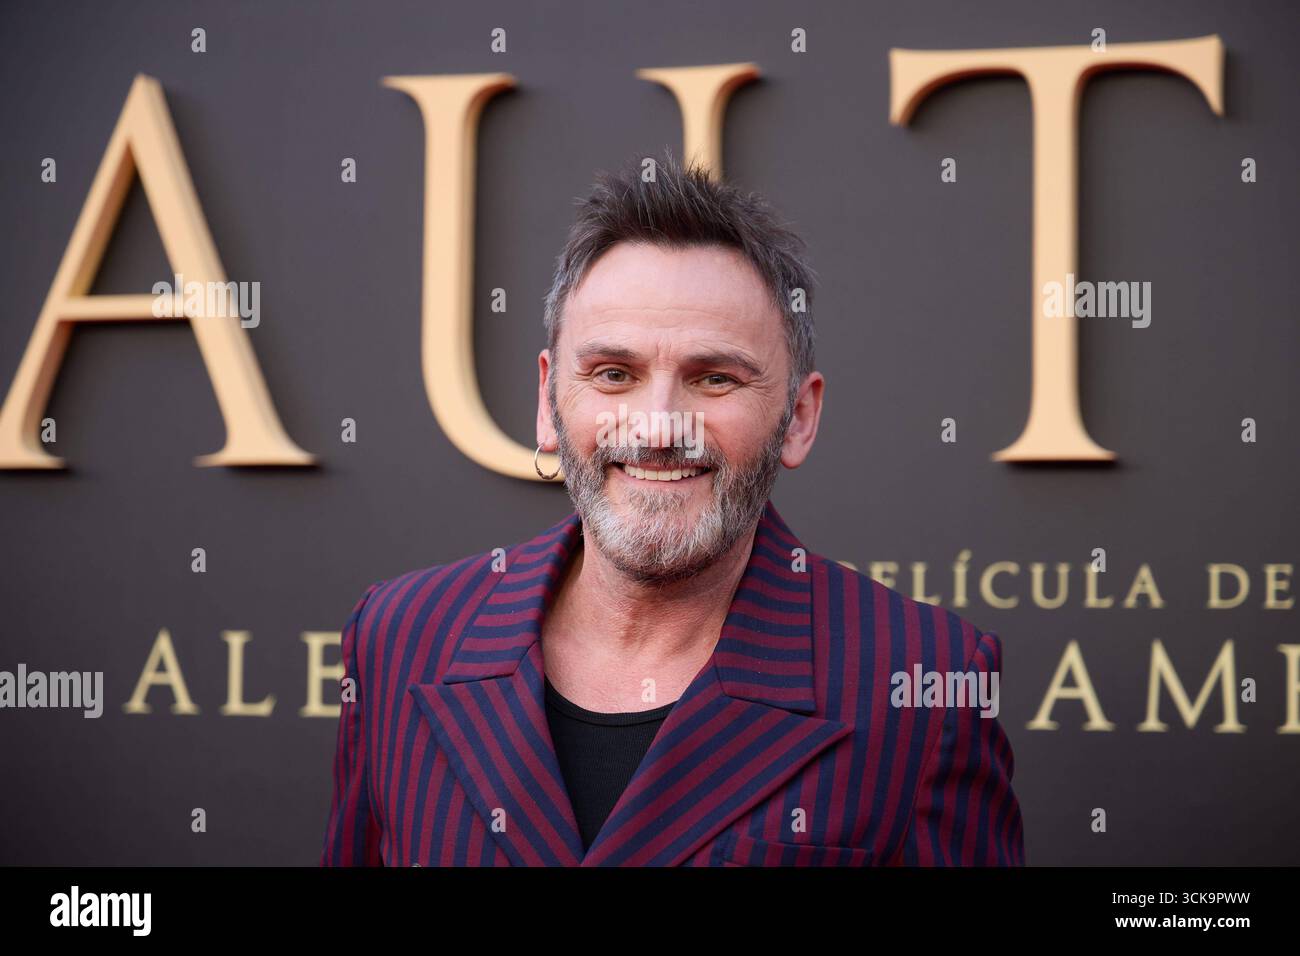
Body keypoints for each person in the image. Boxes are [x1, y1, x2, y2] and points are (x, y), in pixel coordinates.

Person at [322, 151, 1024, 866]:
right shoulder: (401, 639)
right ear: (546, 400)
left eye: (715, 378)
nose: (659, 428)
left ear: (799, 416)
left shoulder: (924, 685)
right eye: (614, 374)